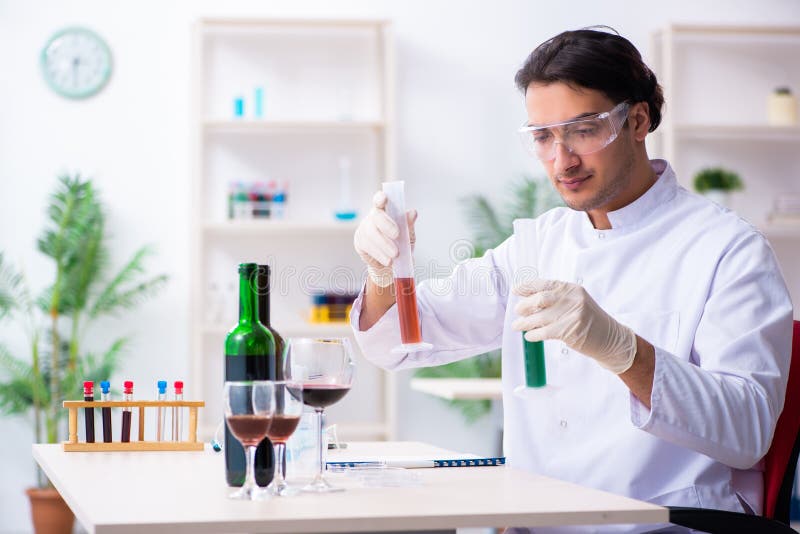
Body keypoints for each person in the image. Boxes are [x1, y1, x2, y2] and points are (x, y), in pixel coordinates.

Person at [350, 27, 793, 532]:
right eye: (543, 137)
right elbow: (401, 342)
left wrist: (623, 349)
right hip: (537, 523)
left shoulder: (727, 249)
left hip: (665, 525)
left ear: (639, 120)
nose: (562, 161)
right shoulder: (535, 245)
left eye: (583, 130)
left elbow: (748, 429)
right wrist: (385, 271)